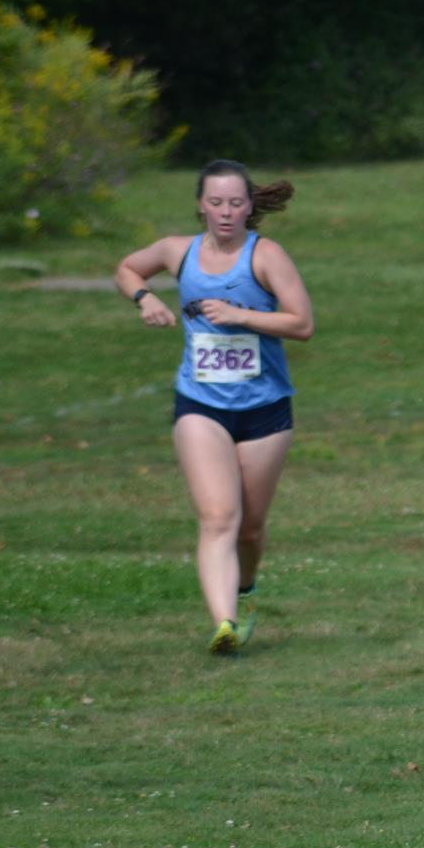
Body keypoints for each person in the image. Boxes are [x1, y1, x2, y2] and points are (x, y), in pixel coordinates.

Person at [114, 161, 315, 655]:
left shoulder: (266, 256)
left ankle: (245, 593)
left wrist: (240, 315)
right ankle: (223, 623)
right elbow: (127, 267)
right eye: (216, 203)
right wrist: (144, 299)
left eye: (236, 203)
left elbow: (302, 323)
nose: (226, 213)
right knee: (218, 517)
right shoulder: (177, 251)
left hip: (264, 408)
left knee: (249, 527)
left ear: (249, 206)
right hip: (200, 404)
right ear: (201, 205)